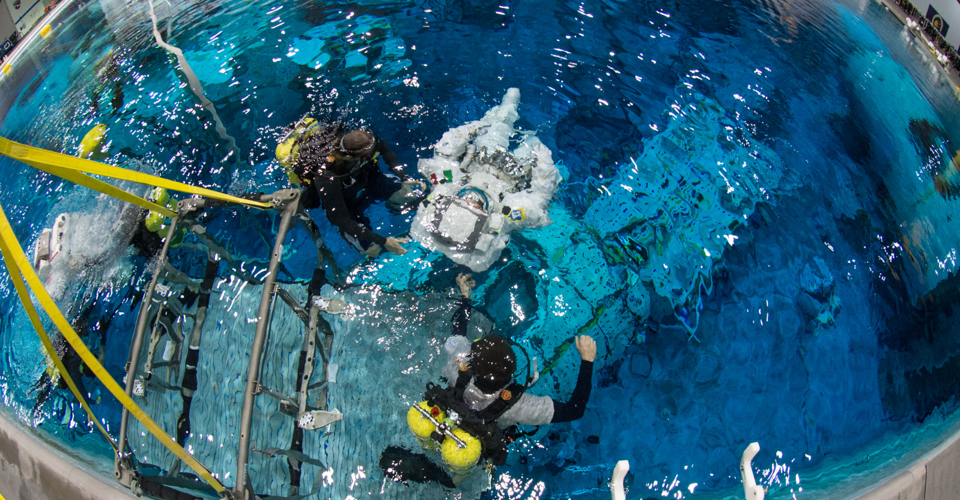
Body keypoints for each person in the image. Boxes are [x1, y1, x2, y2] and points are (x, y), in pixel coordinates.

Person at [380, 273, 596, 487]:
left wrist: (465, 298)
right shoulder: (518, 406)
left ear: (472, 361)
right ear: (510, 374)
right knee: (472, 459)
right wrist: (587, 360)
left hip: (446, 416)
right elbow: (575, 410)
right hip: (474, 440)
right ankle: (451, 480)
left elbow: (458, 328)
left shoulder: (458, 363)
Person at [279, 120, 426, 258]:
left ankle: (391, 204)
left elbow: (385, 151)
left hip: (366, 179)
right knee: (373, 250)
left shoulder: (367, 142)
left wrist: (404, 176)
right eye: (366, 157)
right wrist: (384, 241)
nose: (372, 155)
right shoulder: (327, 177)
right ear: (349, 157)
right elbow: (340, 219)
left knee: (407, 195)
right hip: (345, 201)